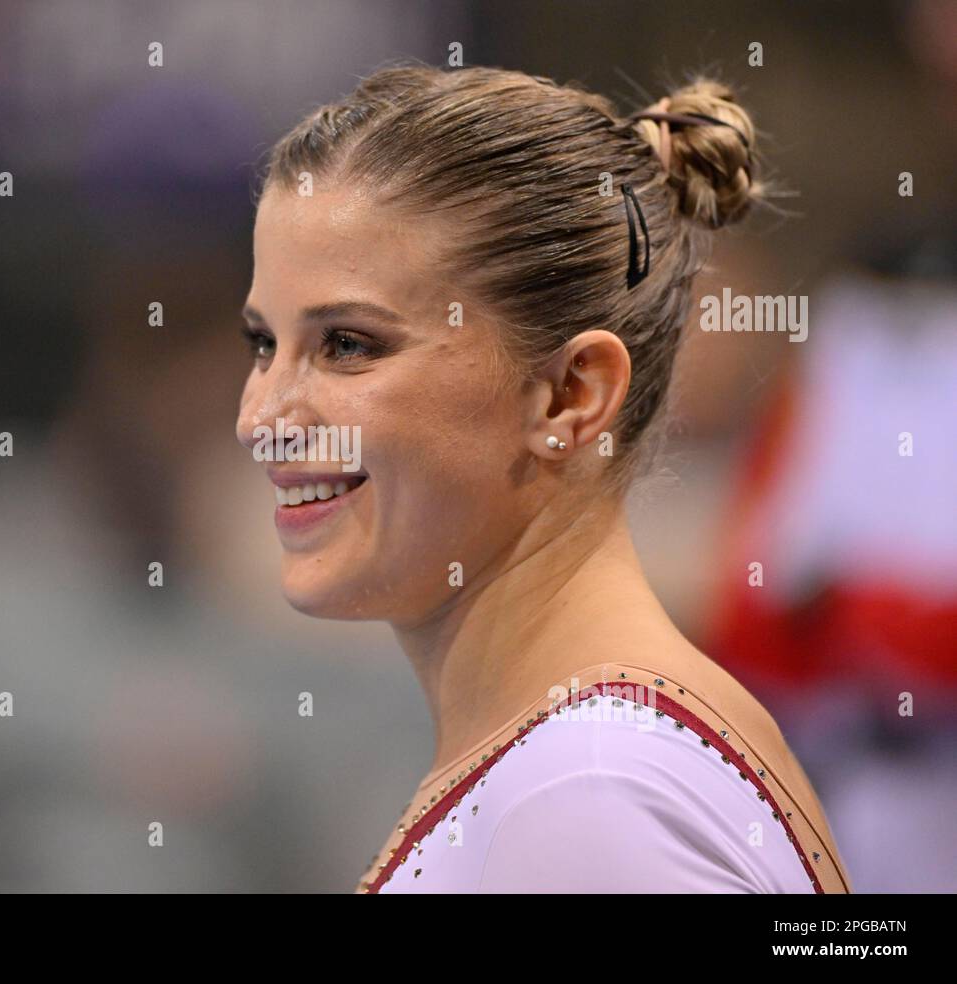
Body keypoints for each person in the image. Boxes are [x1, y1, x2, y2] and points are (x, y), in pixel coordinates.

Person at [234, 61, 850, 893]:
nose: (261, 417)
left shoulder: (589, 796)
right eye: (264, 344)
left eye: (347, 344)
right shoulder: (582, 767)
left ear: (570, 396)